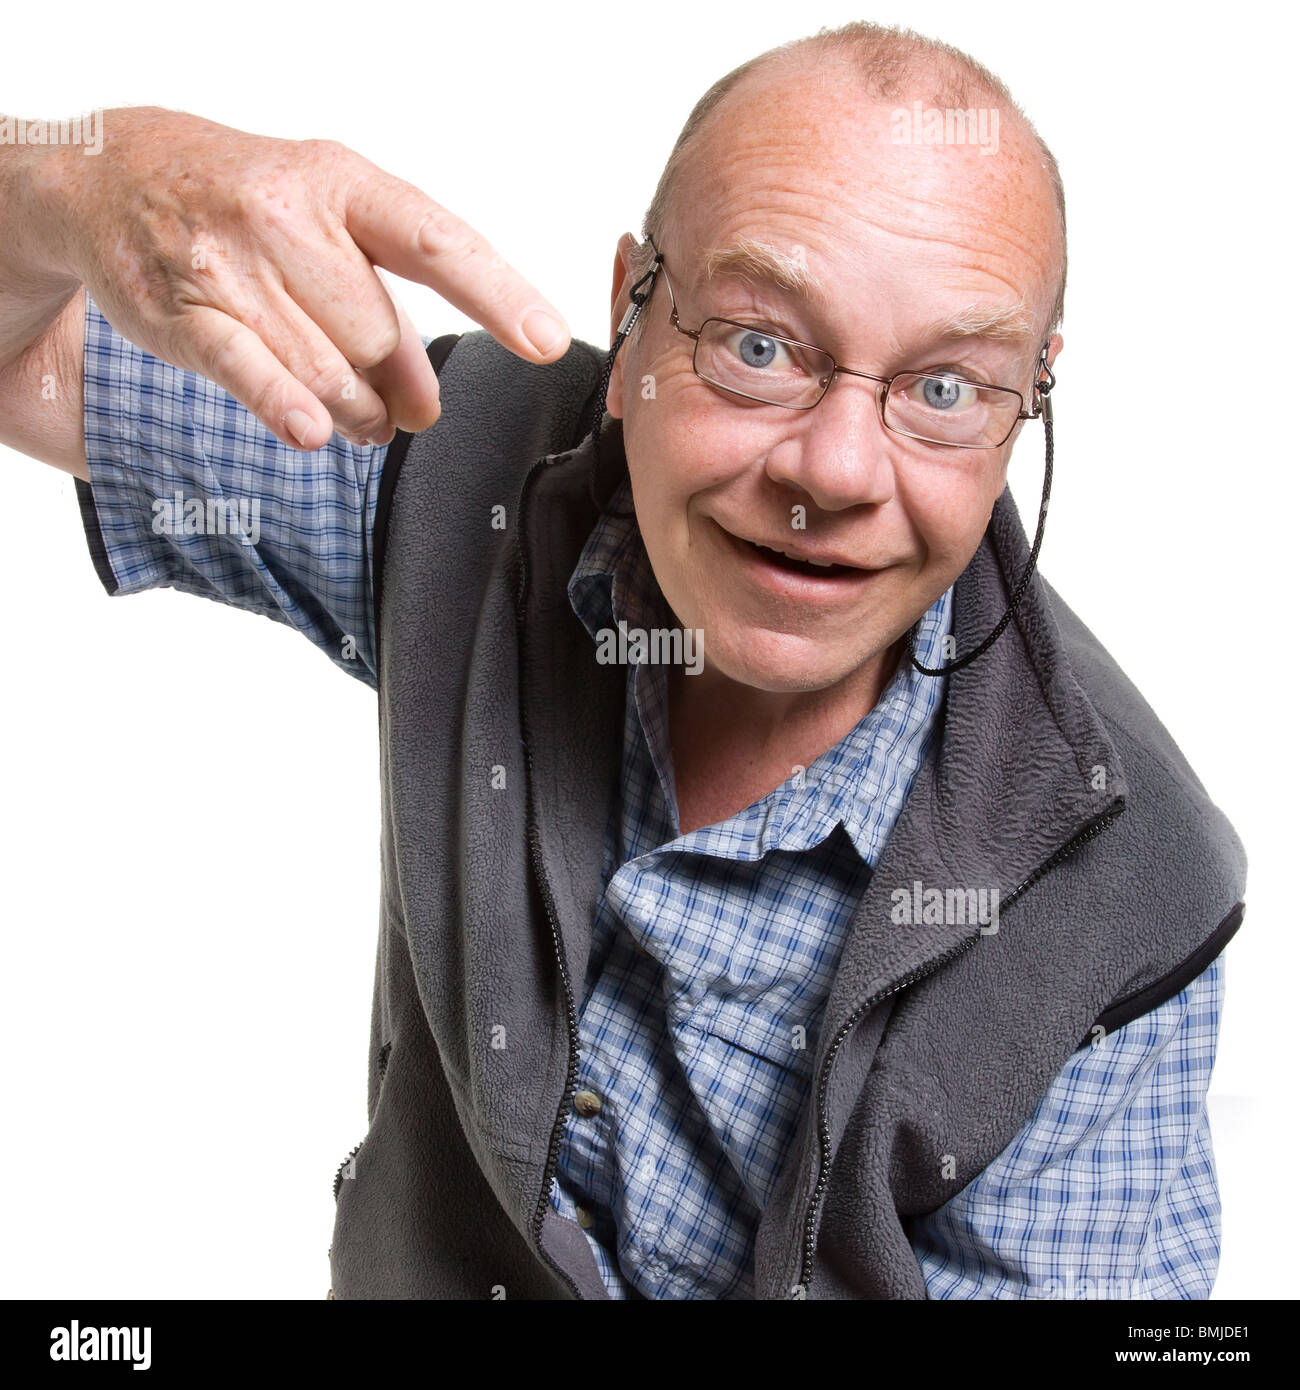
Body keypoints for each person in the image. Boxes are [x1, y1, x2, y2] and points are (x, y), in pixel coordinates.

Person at [0, 20, 1246, 1300]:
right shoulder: (462, 486)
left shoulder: (1122, 894)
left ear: (1027, 400)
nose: (834, 470)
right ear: (630, 316)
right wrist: (75, 178)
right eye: (759, 345)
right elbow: (20, 353)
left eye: (945, 389)